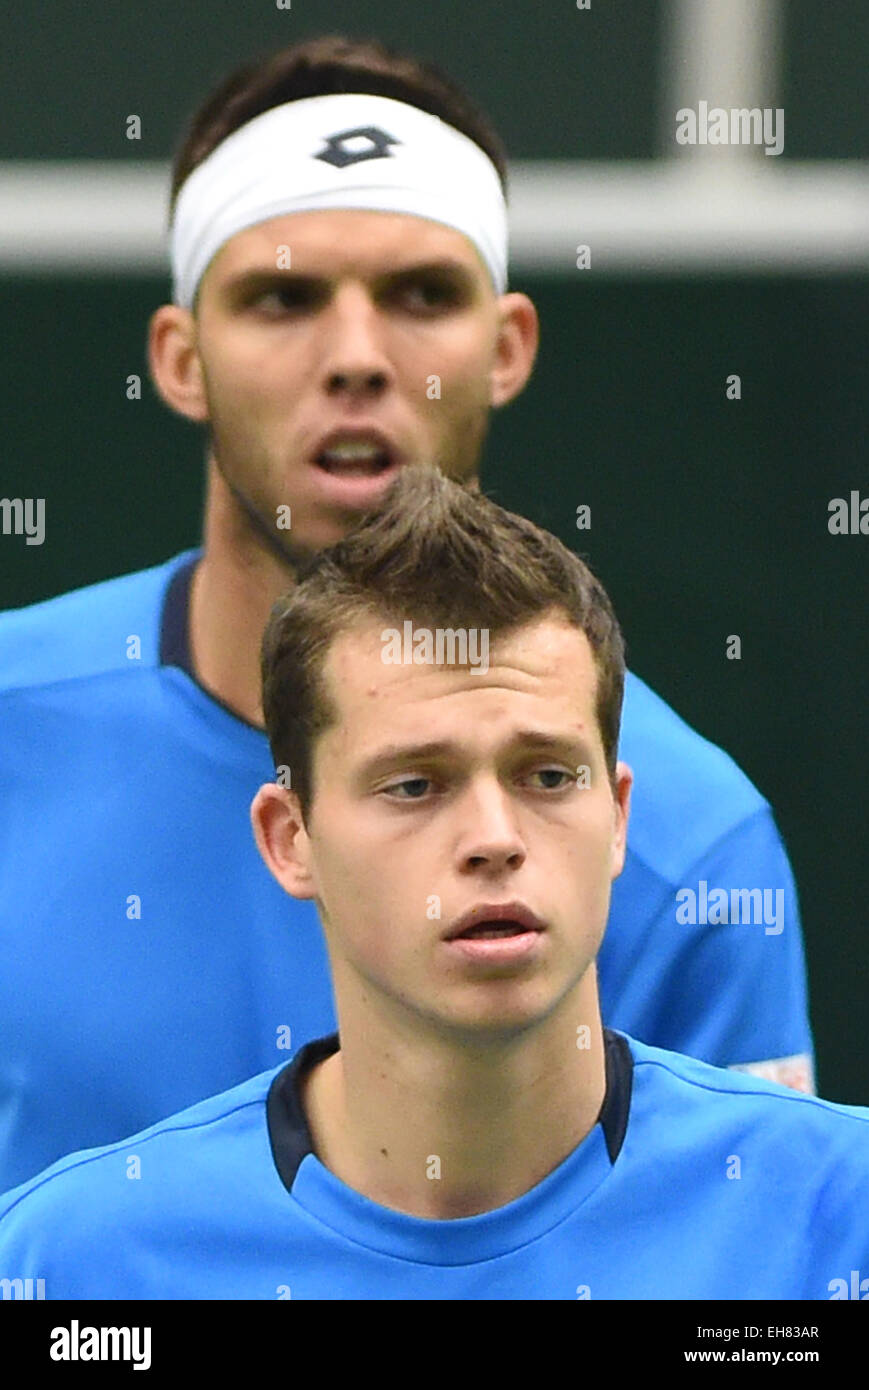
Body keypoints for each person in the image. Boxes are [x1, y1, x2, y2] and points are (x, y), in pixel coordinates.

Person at [0, 36, 812, 1198]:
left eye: (420, 295)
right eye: (282, 297)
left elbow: (746, 1269)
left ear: (506, 346)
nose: (356, 357)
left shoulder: (693, 843)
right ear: (179, 360)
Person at [0, 467, 861, 1300]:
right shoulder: (72, 1264)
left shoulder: (836, 1220)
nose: (494, 839)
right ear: (289, 837)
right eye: (414, 785)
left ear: (619, 818)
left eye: (549, 777)